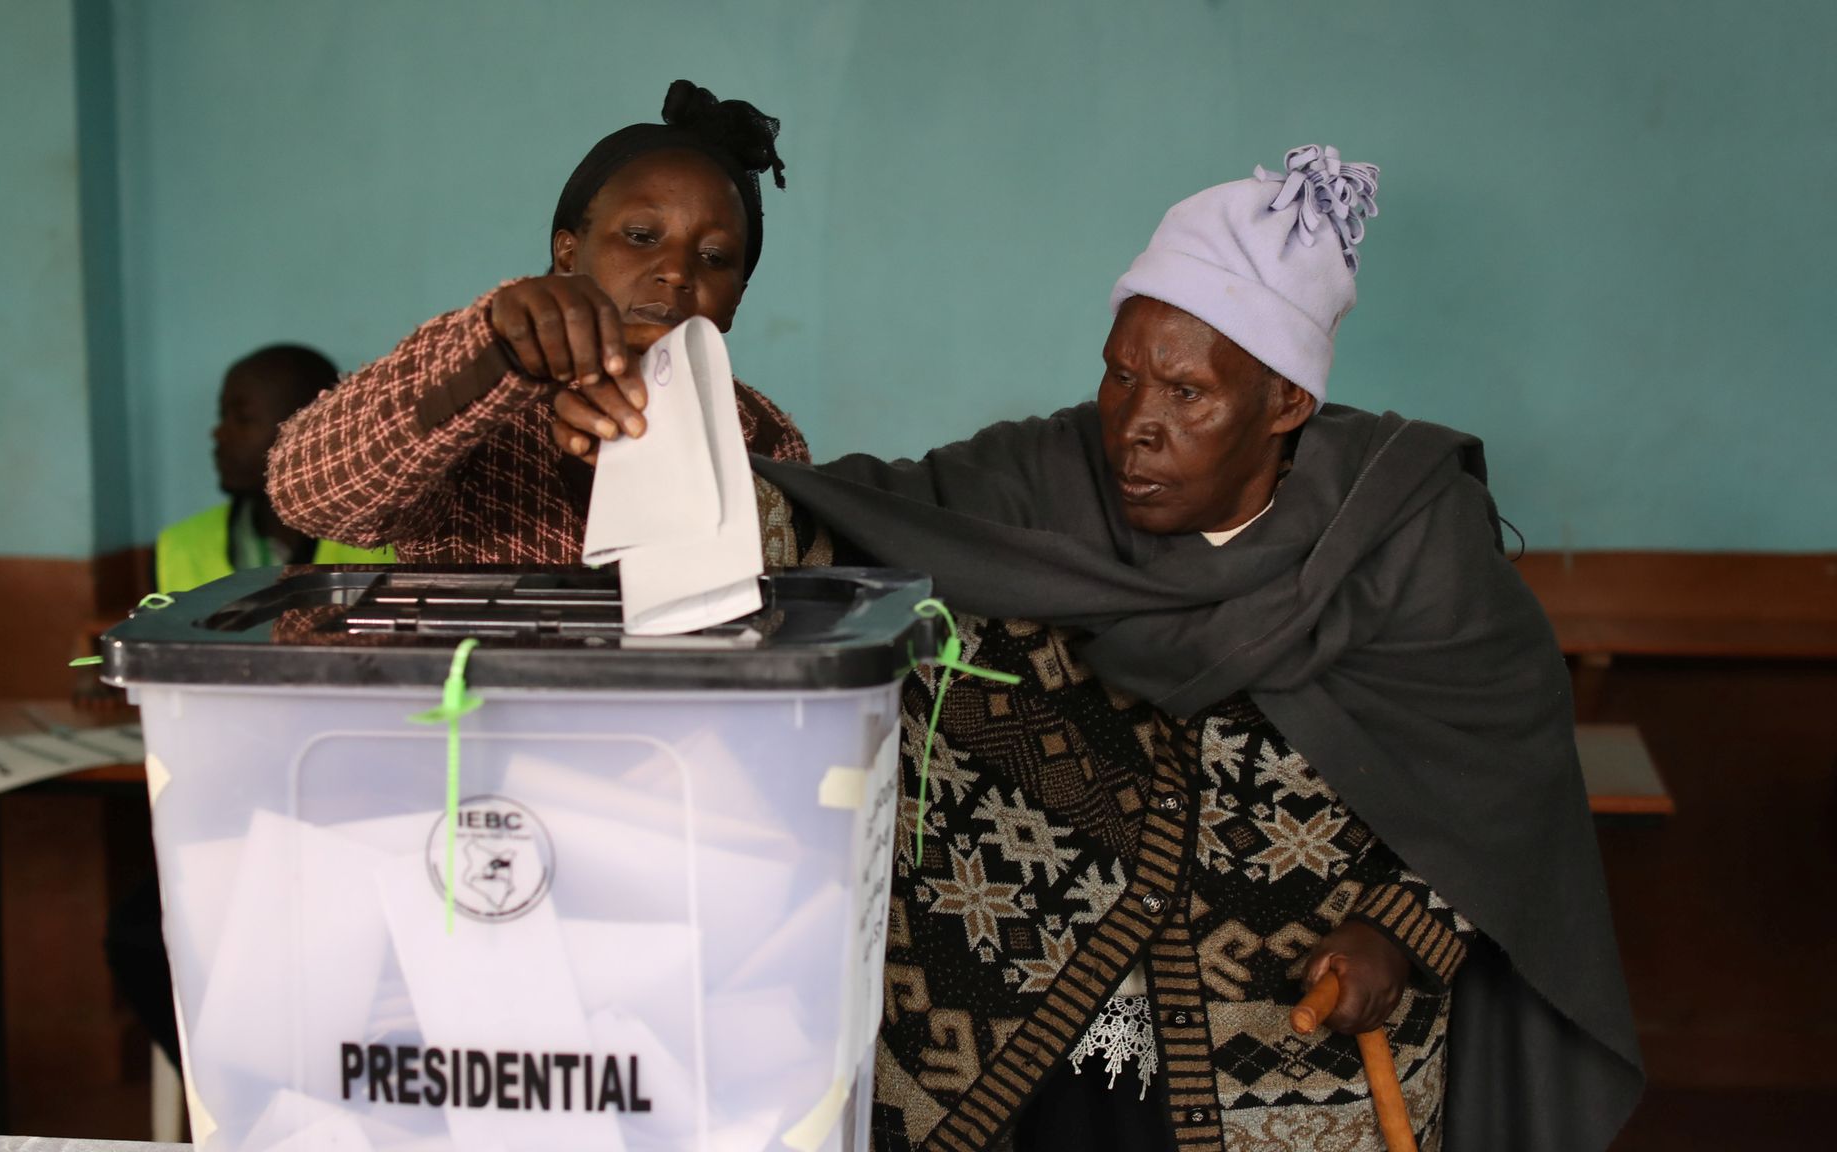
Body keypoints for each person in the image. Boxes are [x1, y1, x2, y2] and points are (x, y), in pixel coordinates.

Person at [559, 146, 1642, 1151]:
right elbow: (829, 531)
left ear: (1284, 403)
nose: (1133, 423)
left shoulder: (1407, 544)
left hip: (1274, 1048)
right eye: (1121, 375)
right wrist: (644, 429)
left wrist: (1400, 934)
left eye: (1186, 392)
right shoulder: (1038, 480)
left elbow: (1500, 786)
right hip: (1006, 1025)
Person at [266, 79, 808, 564]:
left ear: (734, 301)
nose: (675, 271)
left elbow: (796, 598)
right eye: (641, 237)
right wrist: (491, 354)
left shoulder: (763, 434)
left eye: (714, 258)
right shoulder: (478, 405)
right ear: (568, 256)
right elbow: (307, 493)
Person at [156, 342, 393, 594]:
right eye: (222, 415)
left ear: (308, 428)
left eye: (243, 418)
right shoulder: (179, 544)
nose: (219, 433)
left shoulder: (383, 542)